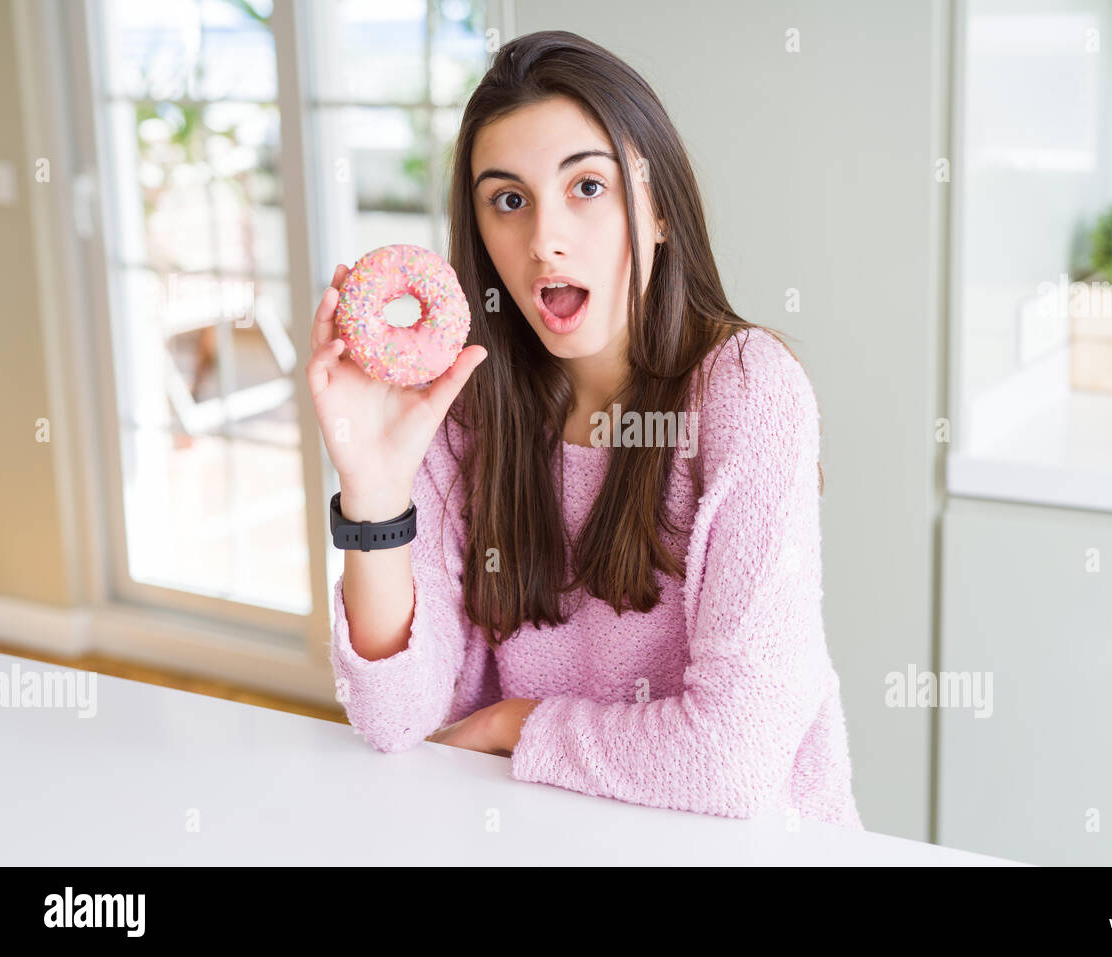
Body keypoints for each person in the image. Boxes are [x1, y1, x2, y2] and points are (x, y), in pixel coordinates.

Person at [305, 30, 862, 830]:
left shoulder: (746, 391)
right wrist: (376, 496)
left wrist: (513, 722)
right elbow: (396, 716)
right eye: (508, 200)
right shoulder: (463, 406)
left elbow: (735, 757)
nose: (544, 240)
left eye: (587, 187)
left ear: (661, 209)